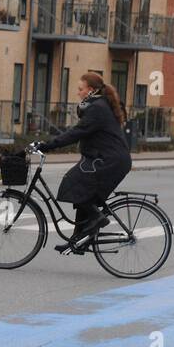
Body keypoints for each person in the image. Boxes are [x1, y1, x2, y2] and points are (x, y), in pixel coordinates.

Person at [31, 72, 132, 254]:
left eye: (80, 89)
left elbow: (76, 132)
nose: (78, 93)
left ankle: (98, 218)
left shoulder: (98, 108)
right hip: (105, 158)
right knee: (84, 194)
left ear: (91, 91)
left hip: (109, 161)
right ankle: (77, 241)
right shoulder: (98, 105)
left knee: (72, 182)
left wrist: (47, 145)